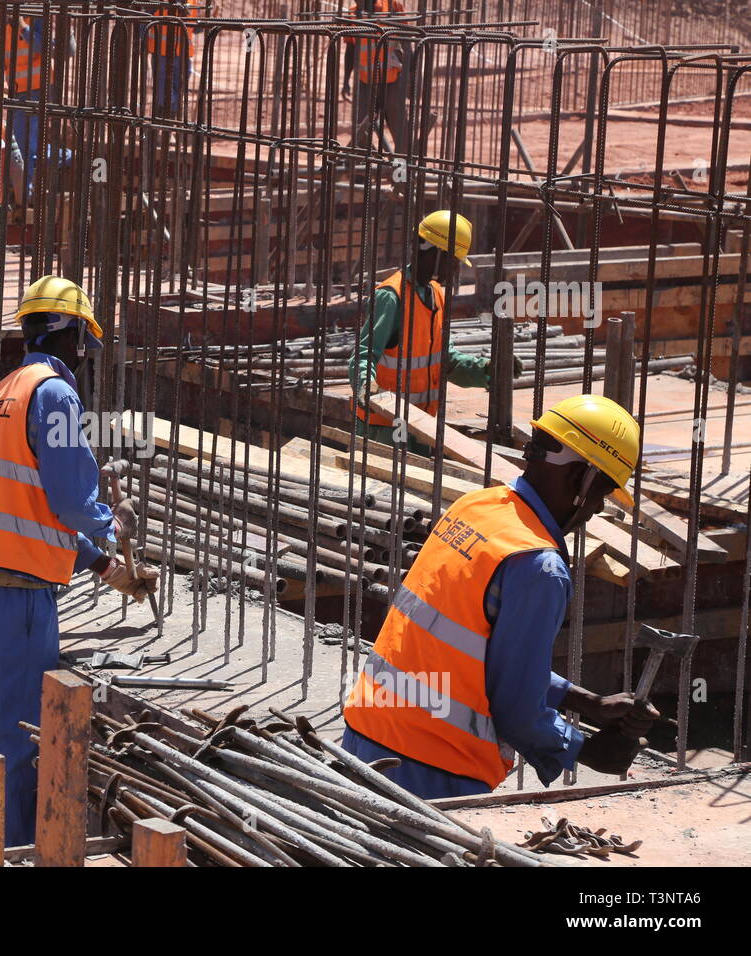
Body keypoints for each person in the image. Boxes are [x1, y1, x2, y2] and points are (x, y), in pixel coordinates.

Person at [0, 276, 159, 864]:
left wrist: (103, 565)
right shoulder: (54, 394)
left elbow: (24, 505)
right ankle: (8, 852)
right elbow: (70, 495)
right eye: (84, 342)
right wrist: (115, 523)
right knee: (17, 736)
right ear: (75, 336)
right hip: (19, 593)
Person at [342, 394, 661, 799]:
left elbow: (471, 655)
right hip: (435, 765)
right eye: (602, 492)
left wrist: (584, 701)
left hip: (367, 732)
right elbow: (516, 710)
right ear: (580, 478)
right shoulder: (538, 568)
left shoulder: (475, 508)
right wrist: (589, 750)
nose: (596, 509)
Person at [350, 209, 520, 455]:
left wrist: (486, 369)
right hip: (384, 428)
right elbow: (364, 355)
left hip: (422, 426)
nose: (455, 270)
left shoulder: (436, 295)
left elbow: (445, 361)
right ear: (436, 254)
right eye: (453, 261)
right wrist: (366, 386)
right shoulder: (392, 296)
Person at [0, 13, 73, 199]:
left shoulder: (37, 17)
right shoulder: (6, 26)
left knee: (24, 147)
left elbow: (46, 49)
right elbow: (3, 60)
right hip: (19, 94)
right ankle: (69, 157)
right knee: (20, 146)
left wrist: (23, 27)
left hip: (38, 90)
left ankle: (25, 196)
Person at [342, 0, 407, 152]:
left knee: (400, 130)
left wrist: (411, 76)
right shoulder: (352, 14)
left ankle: (403, 170)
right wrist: (346, 81)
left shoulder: (393, 8)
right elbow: (350, 51)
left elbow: (408, 43)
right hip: (365, 82)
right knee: (361, 130)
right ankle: (362, 169)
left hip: (392, 81)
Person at [148, 2, 198, 118]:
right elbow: (143, 18)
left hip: (183, 53)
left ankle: (170, 120)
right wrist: (143, 42)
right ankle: (162, 119)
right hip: (161, 52)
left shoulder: (193, 2)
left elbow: (196, 28)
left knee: (179, 88)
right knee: (163, 90)